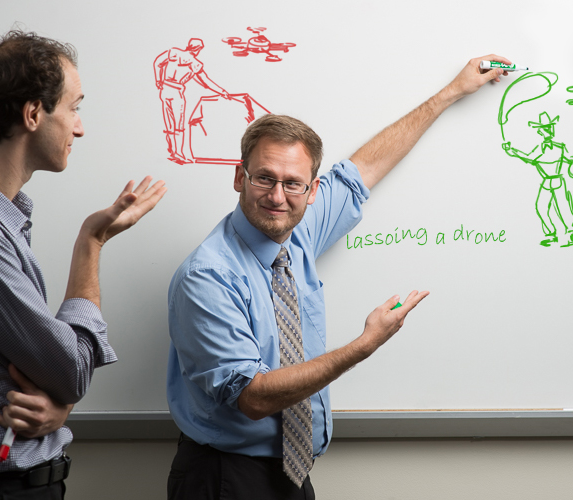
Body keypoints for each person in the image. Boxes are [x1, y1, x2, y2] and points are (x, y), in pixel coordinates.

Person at [166, 54, 510, 499]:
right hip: (224, 479)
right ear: (239, 177)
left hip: (291, 475)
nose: (277, 196)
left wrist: (450, 93)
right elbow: (253, 397)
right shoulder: (208, 276)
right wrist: (362, 347)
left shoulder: (298, 231)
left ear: (311, 191)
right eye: (264, 178)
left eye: (293, 183)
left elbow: (363, 170)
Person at [0, 30, 167, 499]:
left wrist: (59, 404)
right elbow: (70, 371)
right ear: (32, 114)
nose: (80, 127)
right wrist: (91, 241)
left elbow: (54, 375)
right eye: (74, 108)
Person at [502, 111, 573, 247]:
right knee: (541, 207)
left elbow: (567, 158)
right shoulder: (540, 148)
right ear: (540, 131)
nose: (549, 130)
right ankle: (551, 235)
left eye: (550, 127)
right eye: (545, 128)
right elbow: (529, 157)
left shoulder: (559, 147)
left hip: (557, 180)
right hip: (546, 182)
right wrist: (513, 151)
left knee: (563, 207)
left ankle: (571, 235)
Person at [154, 38, 233, 164]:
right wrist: (223, 92)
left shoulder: (173, 52)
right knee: (178, 125)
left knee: (169, 122)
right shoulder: (195, 63)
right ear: (197, 49)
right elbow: (206, 82)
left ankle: (173, 152)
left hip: (165, 89)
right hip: (176, 91)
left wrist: (158, 79)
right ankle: (178, 153)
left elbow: (158, 63)